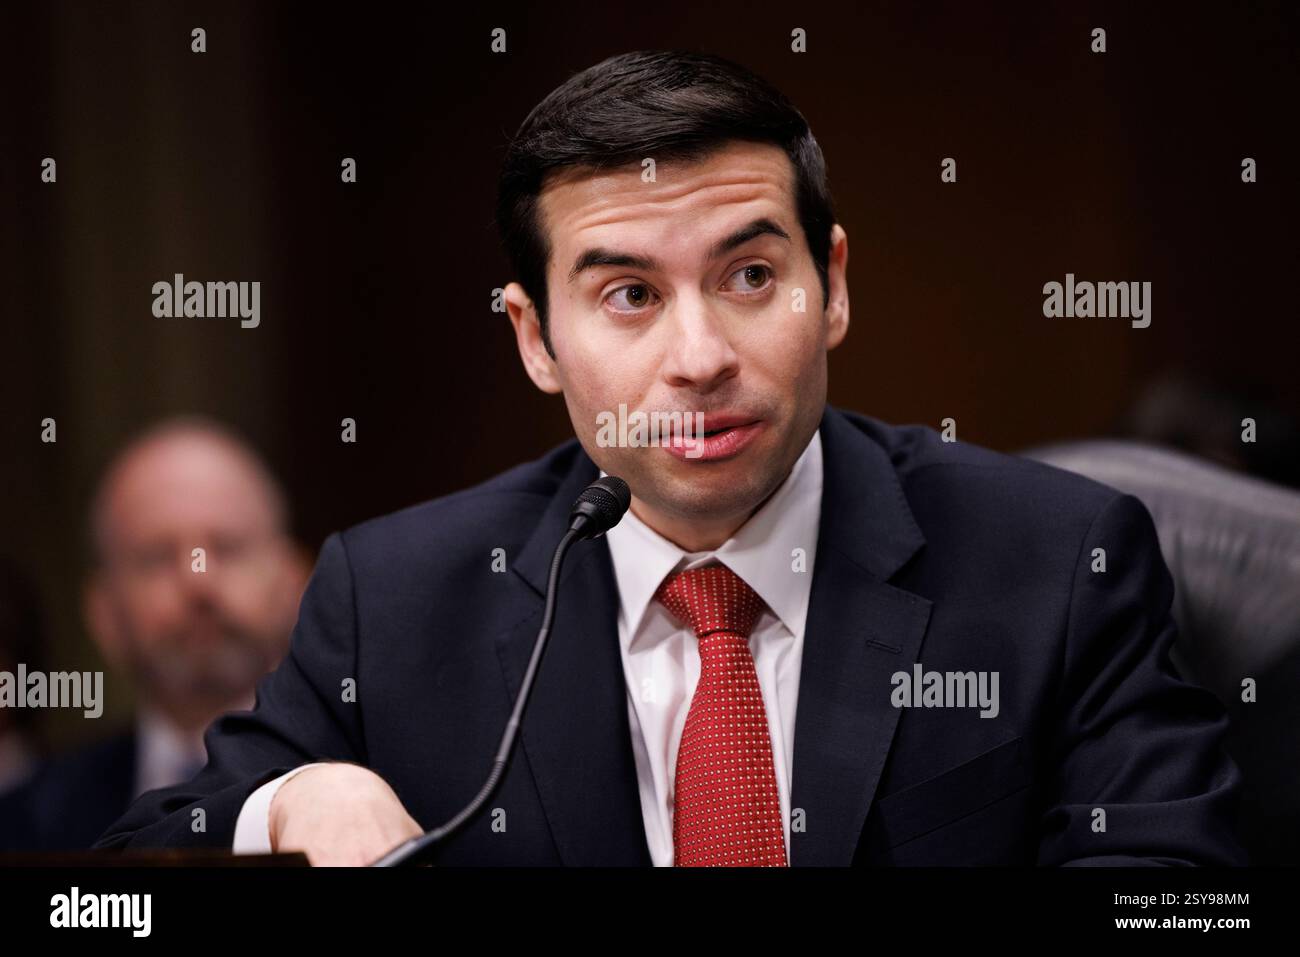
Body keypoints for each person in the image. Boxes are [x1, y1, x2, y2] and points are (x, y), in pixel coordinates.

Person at [95, 51, 1245, 866]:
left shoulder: (1055, 561)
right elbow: (115, 882)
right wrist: (293, 801)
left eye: (749, 277)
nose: (699, 357)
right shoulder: (395, 602)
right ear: (536, 337)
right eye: (629, 295)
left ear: (831, 285)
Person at [1, 417, 308, 850]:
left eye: (227, 547)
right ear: (103, 614)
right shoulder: (25, 824)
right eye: (158, 557)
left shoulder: (385, 786)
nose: (198, 581)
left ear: (294, 584)